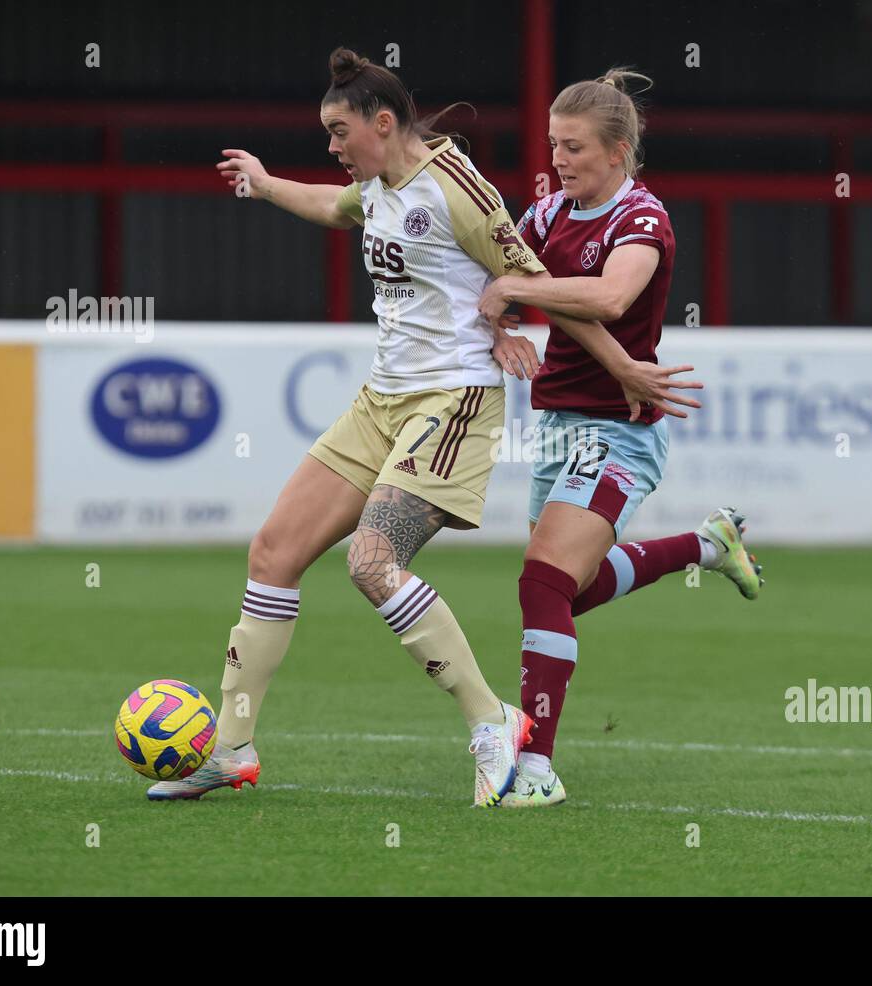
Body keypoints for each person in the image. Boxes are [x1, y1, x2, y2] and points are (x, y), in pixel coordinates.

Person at [147, 48, 650, 806]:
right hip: (381, 402)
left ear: (383, 123)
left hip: (452, 404)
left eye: (339, 130)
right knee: (274, 551)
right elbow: (327, 205)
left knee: (372, 562)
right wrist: (262, 182)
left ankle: (492, 721)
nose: (332, 145)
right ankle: (232, 747)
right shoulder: (375, 186)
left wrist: (622, 366)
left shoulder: (459, 191)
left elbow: (541, 287)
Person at [478, 69, 763, 807]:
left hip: (619, 429)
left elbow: (608, 296)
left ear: (619, 151)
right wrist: (502, 314)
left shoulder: (642, 220)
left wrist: (515, 291)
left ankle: (534, 768)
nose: (557, 160)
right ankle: (708, 545)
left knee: (541, 581)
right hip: (557, 424)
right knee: (568, 589)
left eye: (572, 147)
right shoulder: (545, 214)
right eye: (551, 145)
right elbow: (495, 277)